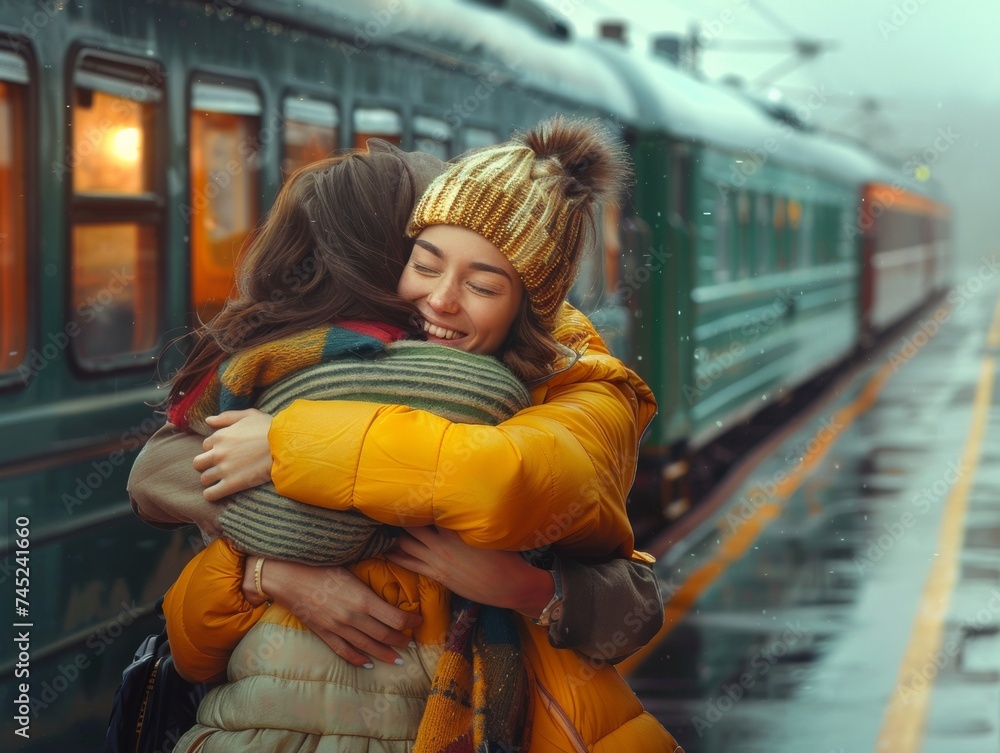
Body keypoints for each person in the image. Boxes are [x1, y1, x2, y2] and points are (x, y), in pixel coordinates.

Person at [132, 120, 681, 751]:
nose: (441, 300)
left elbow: (514, 487)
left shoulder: (574, 386)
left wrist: (530, 590)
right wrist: (264, 574)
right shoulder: (323, 371)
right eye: (424, 264)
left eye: (483, 285)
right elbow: (189, 638)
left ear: (531, 302)